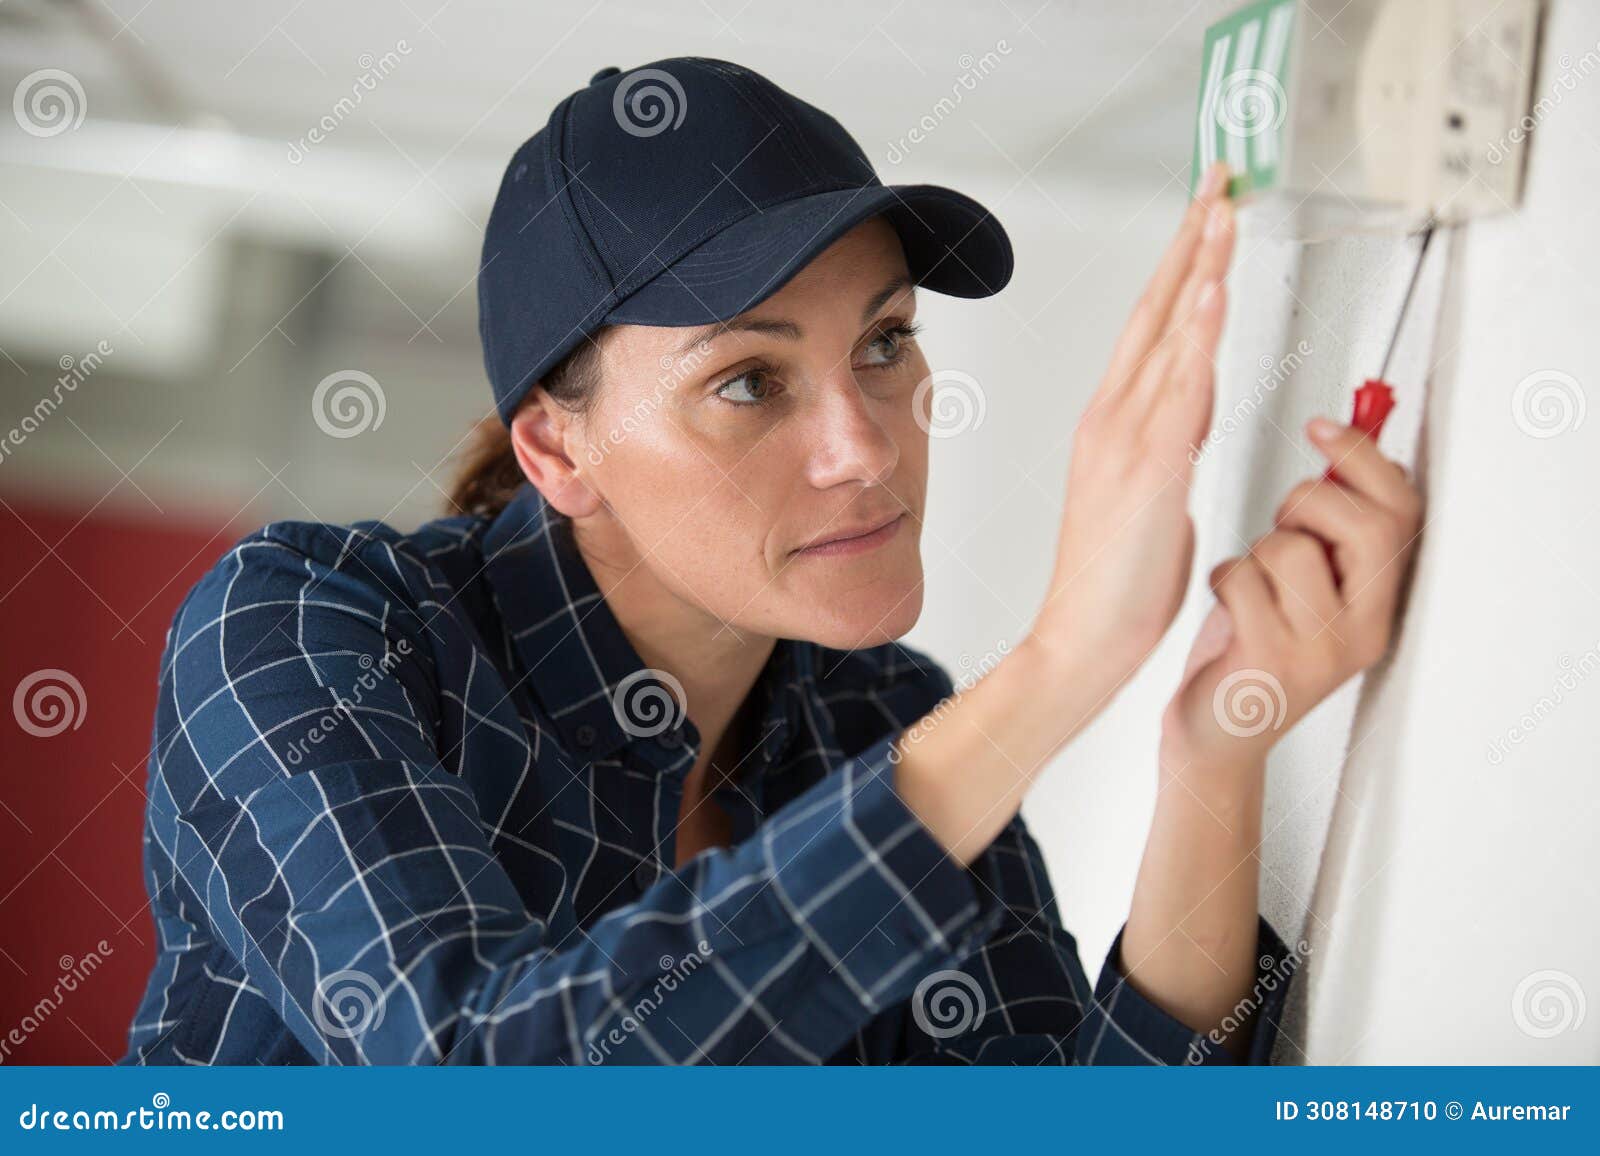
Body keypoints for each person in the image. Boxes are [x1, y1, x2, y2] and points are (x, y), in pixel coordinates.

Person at [122, 58, 1421, 1065]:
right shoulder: (300, 631)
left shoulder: (885, 724)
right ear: (558, 451)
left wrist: (1217, 747)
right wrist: (1060, 673)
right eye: (750, 381)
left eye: (883, 343)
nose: (864, 447)